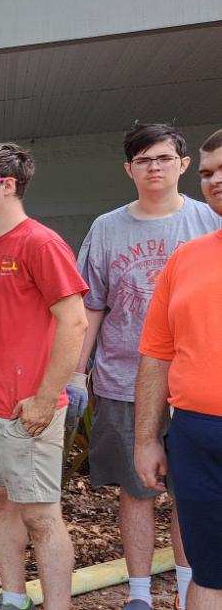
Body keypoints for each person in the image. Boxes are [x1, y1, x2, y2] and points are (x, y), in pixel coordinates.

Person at [77, 123, 218, 610]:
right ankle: (139, 594)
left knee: (190, 496)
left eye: (163, 158)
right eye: (143, 160)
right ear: (128, 170)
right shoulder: (107, 228)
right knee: (137, 490)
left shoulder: (209, 221)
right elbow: (91, 305)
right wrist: (78, 372)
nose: (153, 167)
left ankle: (188, 589)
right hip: (122, 378)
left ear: (181, 165)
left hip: (193, 387)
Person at [0, 143, 89, 610]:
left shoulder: (42, 243)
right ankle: (13, 597)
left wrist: (44, 397)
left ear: (7, 185)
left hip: (27, 408)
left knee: (41, 516)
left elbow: (75, 321)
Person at [135, 129, 222, 610]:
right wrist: (147, 437)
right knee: (208, 568)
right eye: (208, 173)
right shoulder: (186, 259)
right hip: (196, 436)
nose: (215, 181)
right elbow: (156, 354)